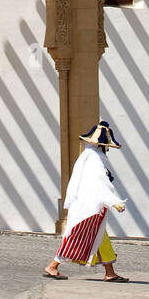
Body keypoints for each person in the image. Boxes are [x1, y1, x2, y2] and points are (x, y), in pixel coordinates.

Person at [43, 121, 129, 282]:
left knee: (99, 237)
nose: (108, 148)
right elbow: (99, 182)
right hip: (90, 206)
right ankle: (53, 265)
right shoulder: (95, 159)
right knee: (77, 236)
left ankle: (110, 272)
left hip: (89, 204)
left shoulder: (88, 156)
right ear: (101, 146)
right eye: (106, 145)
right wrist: (114, 201)